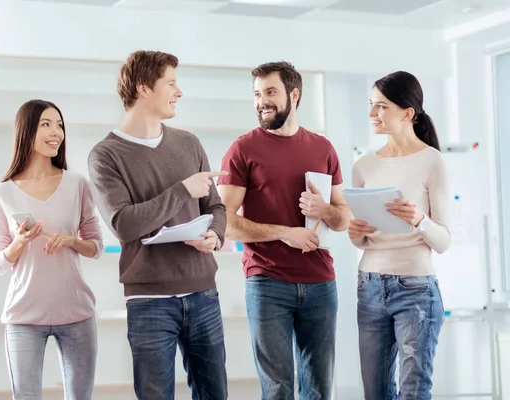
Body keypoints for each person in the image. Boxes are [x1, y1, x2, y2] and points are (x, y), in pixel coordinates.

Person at [87, 50, 228, 400]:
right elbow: (123, 223)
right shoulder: (105, 155)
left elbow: (215, 205)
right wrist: (181, 190)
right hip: (149, 301)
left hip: (203, 294)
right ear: (143, 89)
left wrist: (215, 235)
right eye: (171, 83)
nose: (179, 92)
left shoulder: (189, 143)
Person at [217, 61, 349, 399]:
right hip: (267, 283)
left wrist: (326, 211)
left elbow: (343, 218)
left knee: (319, 388)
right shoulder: (243, 149)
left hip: (320, 282)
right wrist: (284, 232)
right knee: (277, 388)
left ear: (294, 94)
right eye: (257, 94)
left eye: (270, 92)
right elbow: (225, 222)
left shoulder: (323, 148)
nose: (262, 101)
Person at [0, 99, 104, 400]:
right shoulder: (2, 193)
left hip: (76, 312)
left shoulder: (77, 184)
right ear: (26, 132)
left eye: (60, 125)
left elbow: (97, 247)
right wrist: (20, 243)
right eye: (46, 124)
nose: (57, 132)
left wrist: (71, 241)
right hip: (23, 316)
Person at [348, 71, 451, 399]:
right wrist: (356, 232)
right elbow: (360, 239)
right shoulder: (363, 165)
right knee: (375, 392)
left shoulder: (433, 161)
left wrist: (420, 220)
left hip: (416, 289)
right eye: (370, 105)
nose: (371, 114)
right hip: (369, 284)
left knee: (413, 391)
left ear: (407, 113)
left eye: (381, 106)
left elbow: (444, 241)